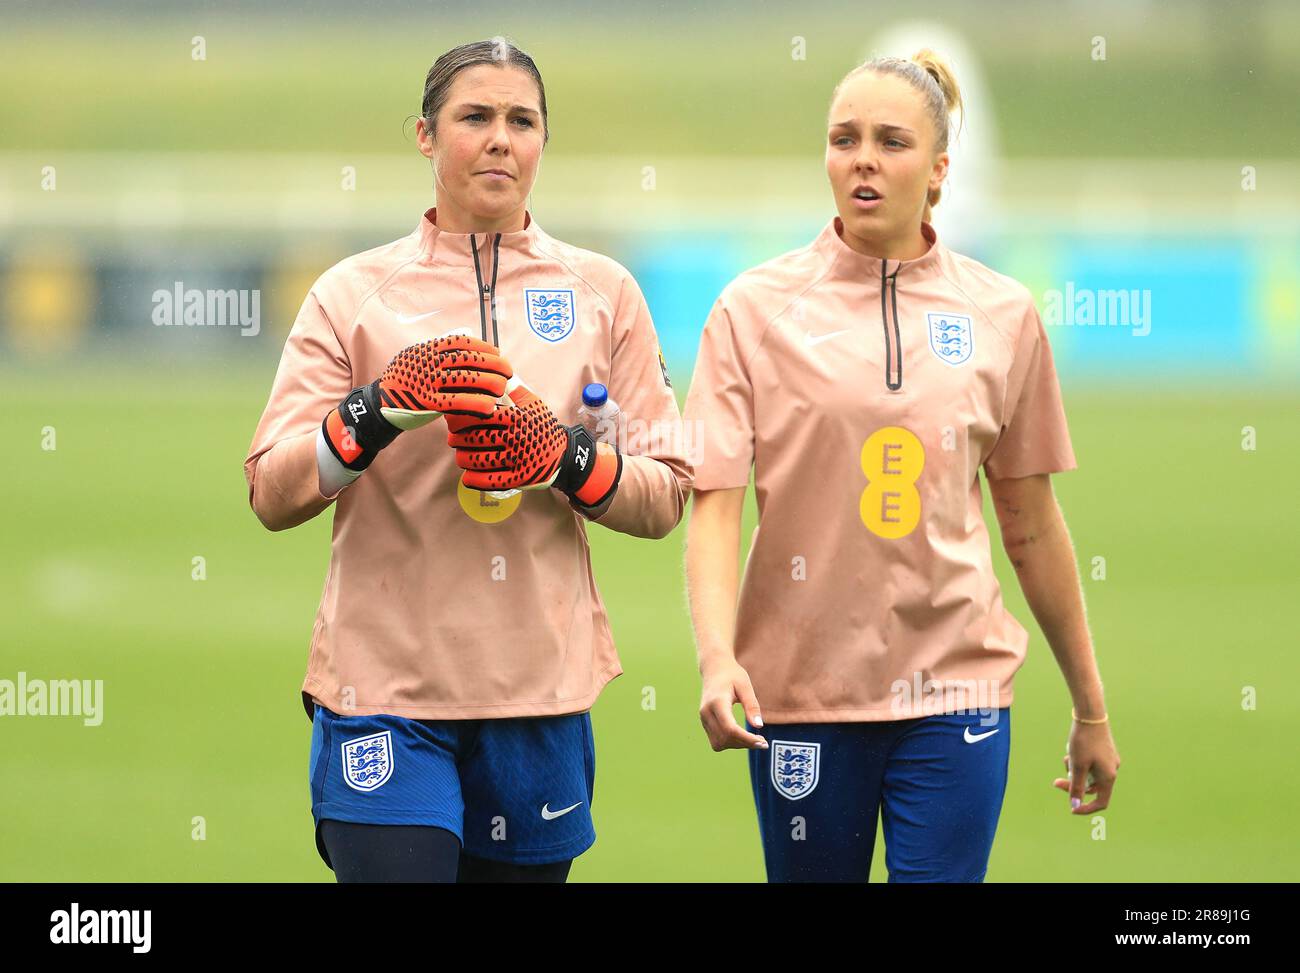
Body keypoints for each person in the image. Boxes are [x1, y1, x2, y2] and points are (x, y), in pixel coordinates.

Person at [243, 37, 691, 883]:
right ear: (423, 135)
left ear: (544, 142)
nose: (499, 139)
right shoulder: (352, 294)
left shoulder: (606, 294)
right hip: (384, 692)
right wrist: (370, 413)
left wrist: (563, 459)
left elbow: (667, 494)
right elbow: (271, 488)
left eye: (522, 121)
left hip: (538, 697)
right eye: (474, 117)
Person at [682, 49, 1120, 882]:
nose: (865, 160)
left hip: (958, 694)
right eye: (845, 139)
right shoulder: (752, 310)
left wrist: (1090, 706)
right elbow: (714, 504)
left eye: (892, 141)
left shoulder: (1003, 314)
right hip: (800, 697)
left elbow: (1030, 524)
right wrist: (717, 656)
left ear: (941, 168)